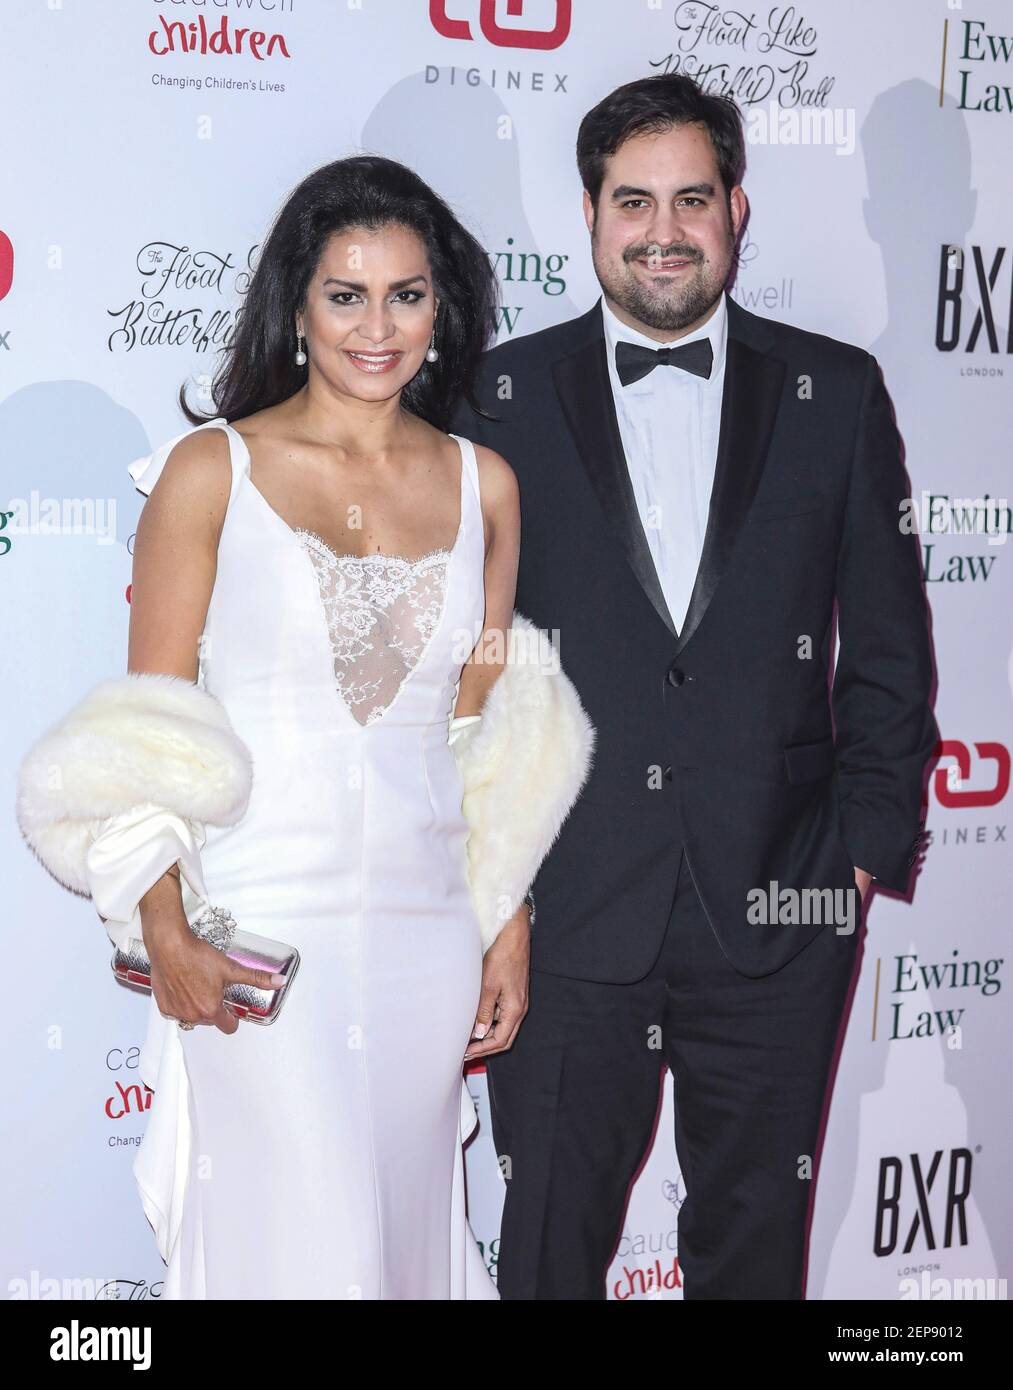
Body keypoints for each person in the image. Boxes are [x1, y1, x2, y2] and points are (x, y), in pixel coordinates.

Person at [15, 155, 594, 1299]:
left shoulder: (485, 484)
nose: (376, 327)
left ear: (443, 307)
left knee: (390, 1249)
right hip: (260, 943)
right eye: (345, 294)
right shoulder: (210, 470)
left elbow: (477, 733)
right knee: (300, 1251)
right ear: (296, 304)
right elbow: (151, 725)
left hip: (426, 943)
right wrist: (163, 923)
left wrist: (507, 920)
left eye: (405, 294)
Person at [452, 74, 939, 1300]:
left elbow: (886, 645)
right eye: (632, 201)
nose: (661, 229)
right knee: (547, 1254)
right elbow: (461, 660)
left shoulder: (834, 394)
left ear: (735, 208)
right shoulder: (494, 400)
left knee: (753, 1260)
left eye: (689, 198)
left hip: (783, 909)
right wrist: (487, 882)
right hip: (561, 919)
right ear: (587, 213)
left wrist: (862, 852)